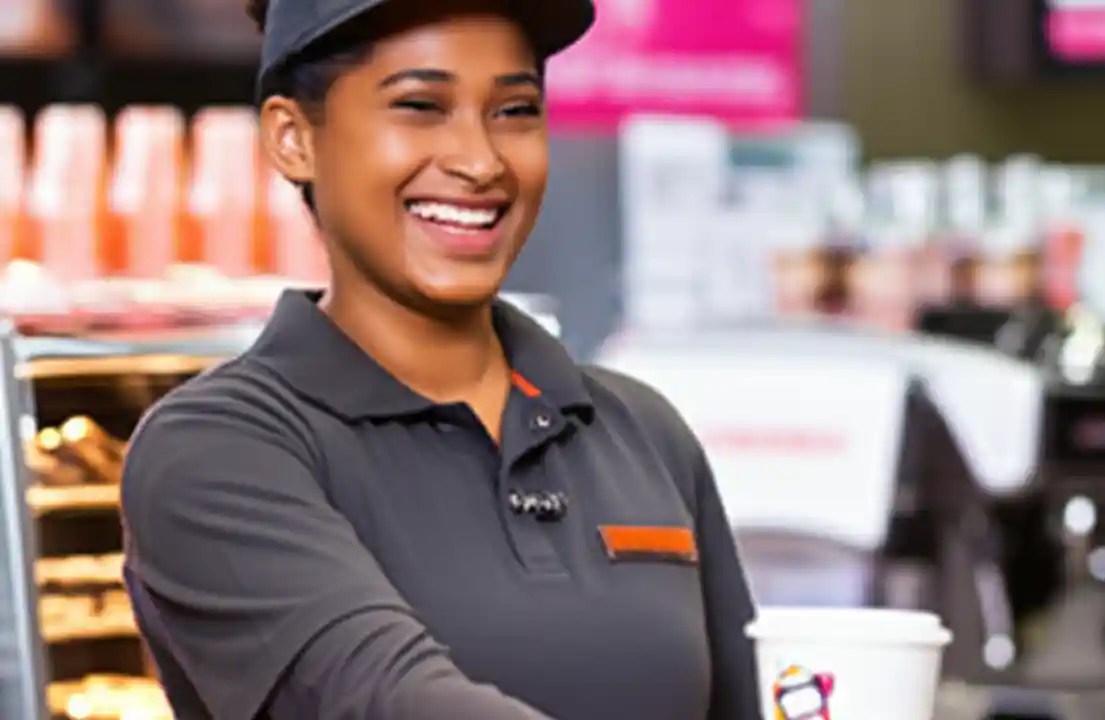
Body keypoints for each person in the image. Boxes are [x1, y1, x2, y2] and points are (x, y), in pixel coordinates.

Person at [119, 0, 762, 718]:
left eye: (514, 110)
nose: (480, 162)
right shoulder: (216, 452)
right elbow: (384, 700)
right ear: (293, 137)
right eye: (421, 105)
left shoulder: (640, 431)